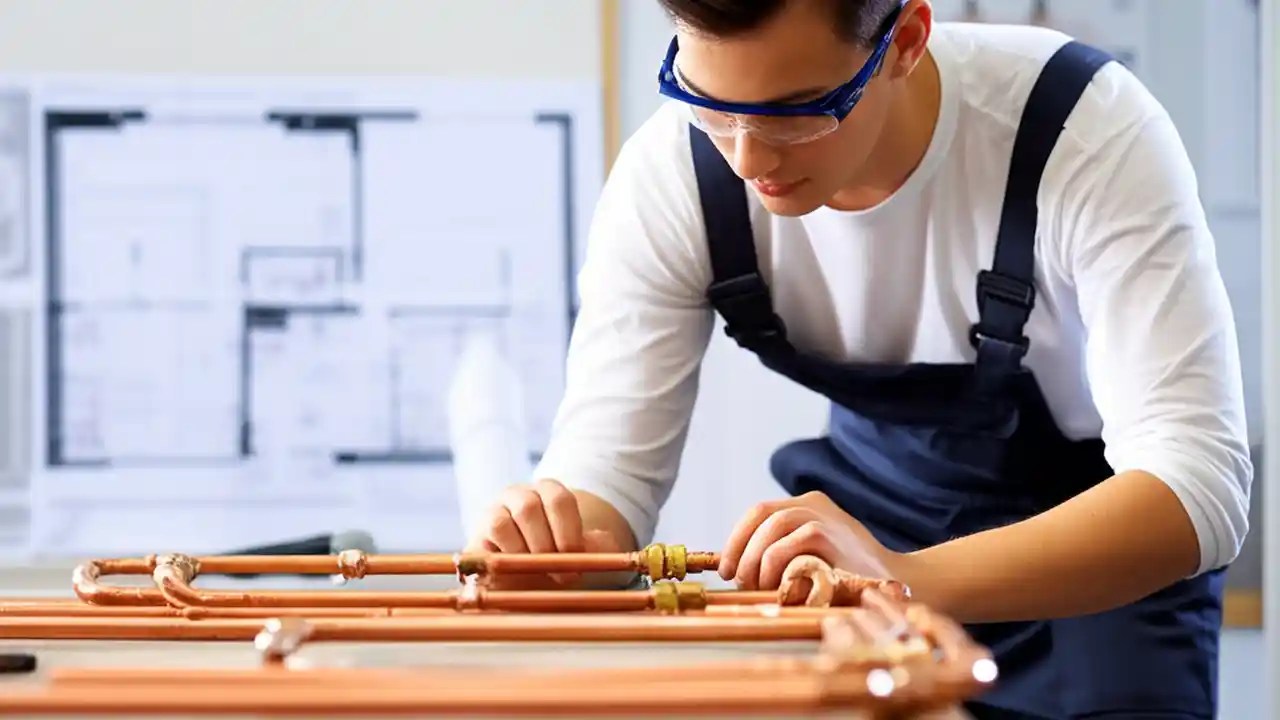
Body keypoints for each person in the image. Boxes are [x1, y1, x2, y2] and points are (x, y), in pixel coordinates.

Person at [462, 1, 1253, 717]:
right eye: (708, 105)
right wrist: (564, 552)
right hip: (869, 533)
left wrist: (902, 579)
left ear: (906, 40)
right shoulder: (675, 174)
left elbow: (1197, 491)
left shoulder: (1083, 130)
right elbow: (610, 485)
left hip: (1101, 560)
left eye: (795, 112)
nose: (744, 159)